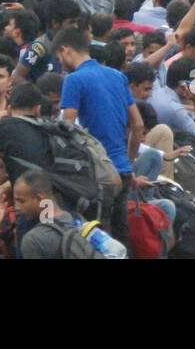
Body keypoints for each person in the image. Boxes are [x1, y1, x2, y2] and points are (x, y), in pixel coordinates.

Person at [57, 28, 142, 247]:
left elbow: (67, 128)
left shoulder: (74, 80)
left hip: (96, 173)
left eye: (59, 56)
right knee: (120, 234)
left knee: (96, 238)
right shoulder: (118, 76)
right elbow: (138, 125)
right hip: (122, 170)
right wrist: (128, 163)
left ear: (65, 50)